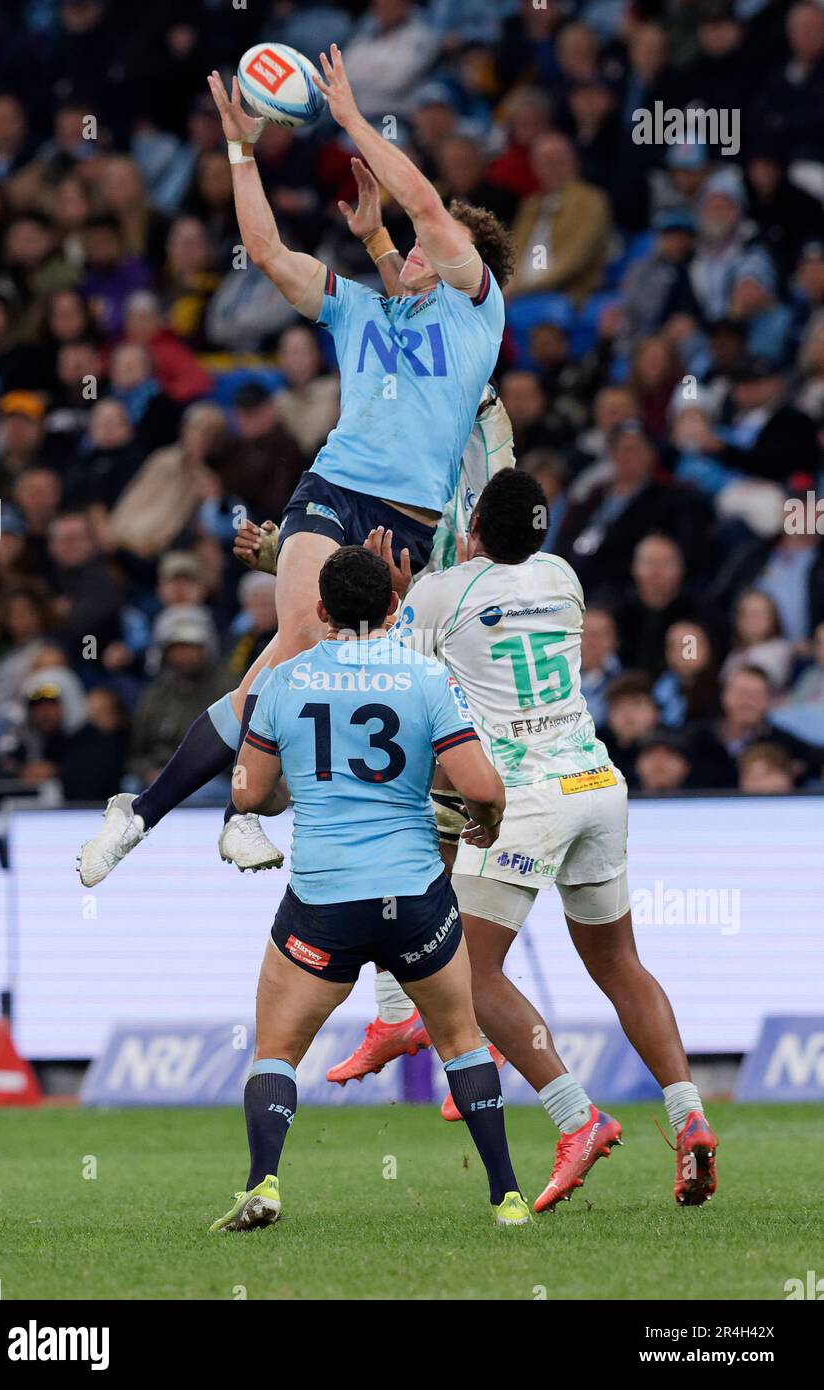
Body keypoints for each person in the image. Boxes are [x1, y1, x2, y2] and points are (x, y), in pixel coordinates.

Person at [78, 43, 515, 887]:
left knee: (301, 661)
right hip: (333, 487)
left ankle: (152, 810)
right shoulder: (362, 311)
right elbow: (270, 254)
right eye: (411, 249)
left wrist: (351, 120)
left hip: (409, 522)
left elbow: (423, 204)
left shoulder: (475, 313)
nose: (412, 251)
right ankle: (234, 816)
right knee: (304, 634)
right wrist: (240, 149)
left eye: (429, 247)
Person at [328, 470, 718, 1209]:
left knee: (468, 972)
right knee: (620, 965)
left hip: (525, 796)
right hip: (596, 786)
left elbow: (391, 670)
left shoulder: (446, 592)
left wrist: (395, 598)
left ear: (474, 522)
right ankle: (688, 1115)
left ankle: (578, 1118)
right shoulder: (563, 577)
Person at [208, 546, 529, 1232]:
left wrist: (299, 781)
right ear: (392, 606)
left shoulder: (283, 682)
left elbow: (254, 794)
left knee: (277, 1051)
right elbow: (481, 788)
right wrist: (485, 824)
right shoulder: (425, 677)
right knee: (462, 1041)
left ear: (320, 611)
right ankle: (506, 1197)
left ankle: (263, 1182)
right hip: (415, 896)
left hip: (324, 901)